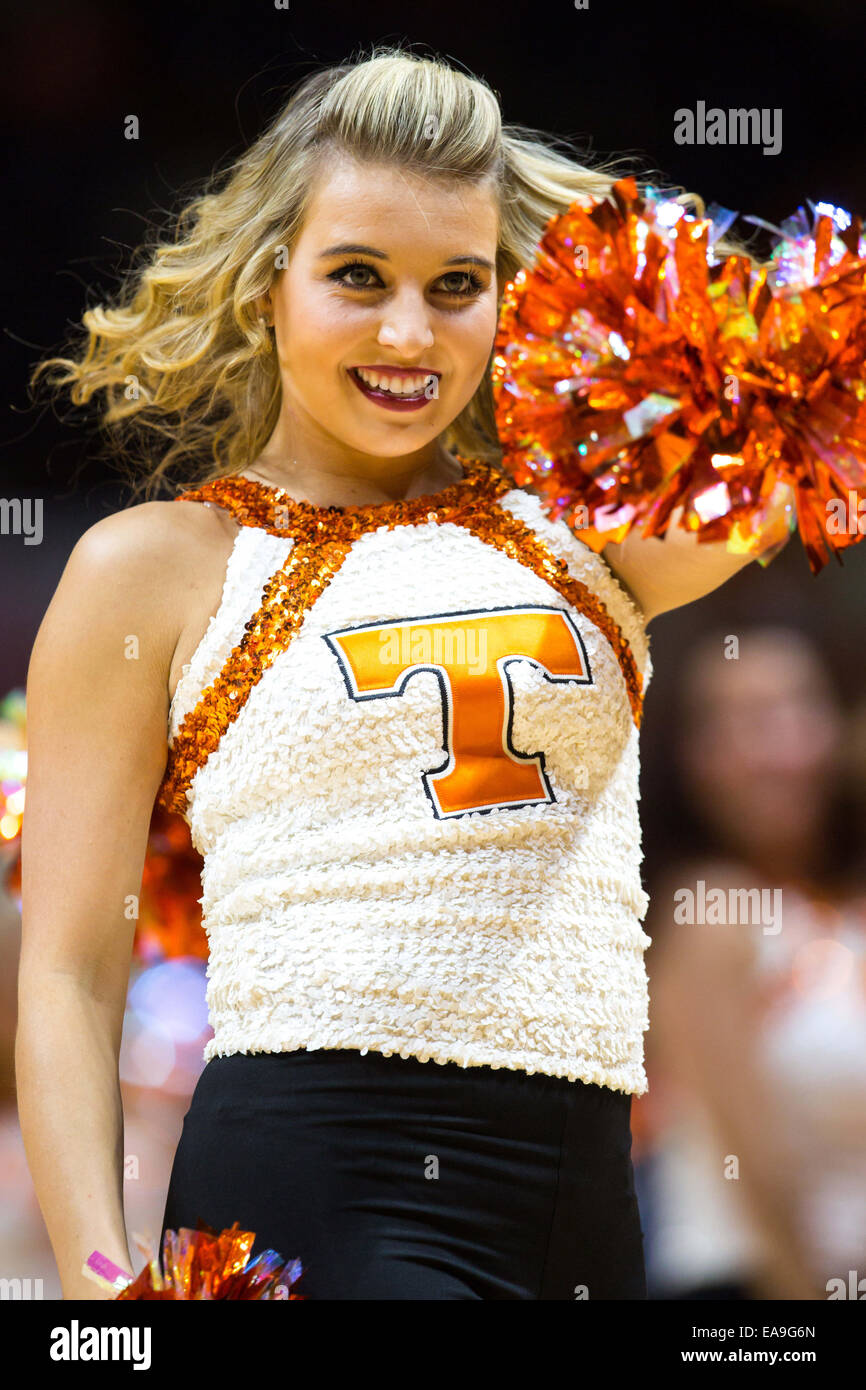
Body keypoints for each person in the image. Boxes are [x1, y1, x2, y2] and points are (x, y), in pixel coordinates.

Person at [17, 46, 788, 1301]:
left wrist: (623, 288)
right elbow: (67, 971)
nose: (405, 333)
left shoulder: (591, 530)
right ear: (272, 280)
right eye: (357, 276)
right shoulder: (154, 567)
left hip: (587, 1199)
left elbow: (806, 418)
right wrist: (107, 1293)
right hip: (322, 1180)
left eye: (457, 284)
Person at [639, 627, 866, 1300]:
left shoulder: (844, 906)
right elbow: (756, 1169)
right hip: (751, 1293)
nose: (781, 750)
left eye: (802, 708)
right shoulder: (710, 914)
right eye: (746, 724)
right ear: (690, 755)